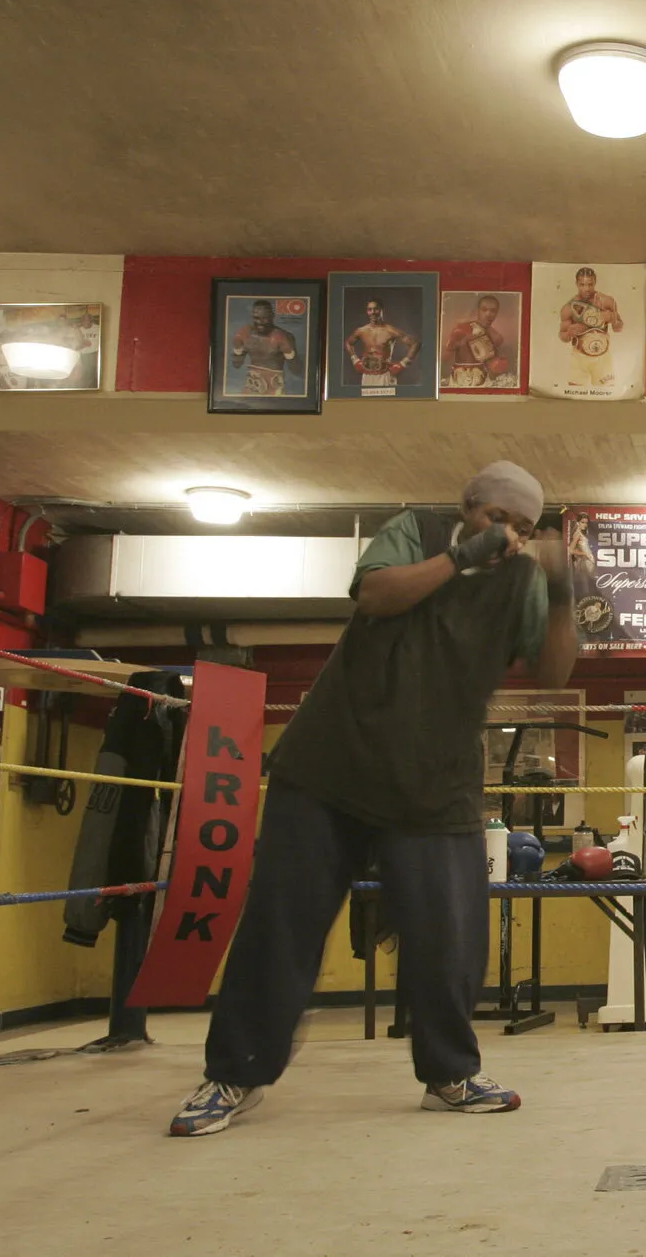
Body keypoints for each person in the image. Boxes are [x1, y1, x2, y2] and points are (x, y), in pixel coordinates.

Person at [169, 461, 581, 1137]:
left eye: (524, 527)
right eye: (497, 519)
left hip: (435, 778)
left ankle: (449, 1072)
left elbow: (553, 673)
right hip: (333, 762)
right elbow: (375, 594)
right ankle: (234, 1073)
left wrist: (564, 594)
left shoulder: (521, 582)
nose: (508, 535)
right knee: (282, 923)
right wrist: (459, 555)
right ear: (468, 506)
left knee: (450, 935)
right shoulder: (414, 531)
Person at [556, 266, 624, 389]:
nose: (586, 289)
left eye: (590, 284)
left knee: (606, 396)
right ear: (576, 283)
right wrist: (570, 332)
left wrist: (611, 317)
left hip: (602, 359)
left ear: (595, 283)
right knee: (574, 397)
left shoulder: (607, 301)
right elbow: (562, 336)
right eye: (582, 284)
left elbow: (618, 328)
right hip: (578, 358)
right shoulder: (568, 308)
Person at [346, 298, 419, 392]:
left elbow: (415, 344)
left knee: (388, 405)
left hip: (385, 375)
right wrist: (355, 360)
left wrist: (402, 364)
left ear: (381, 310)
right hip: (367, 376)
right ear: (367, 311)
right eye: (370, 309)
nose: (373, 312)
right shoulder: (361, 331)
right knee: (367, 405)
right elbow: (349, 343)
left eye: (376, 309)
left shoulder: (390, 330)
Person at [228, 299, 299, 396]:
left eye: (265, 318)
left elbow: (297, 370)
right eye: (256, 318)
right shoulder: (247, 333)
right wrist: (237, 348)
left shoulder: (285, 336)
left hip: (274, 392)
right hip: (251, 388)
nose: (260, 322)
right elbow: (236, 365)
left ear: (272, 317)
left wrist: (290, 354)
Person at [443, 295, 510, 389]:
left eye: (493, 311)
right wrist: (461, 343)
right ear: (477, 311)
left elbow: (495, 367)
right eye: (484, 309)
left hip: (482, 381)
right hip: (460, 380)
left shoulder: (496, 337)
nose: (488, 314)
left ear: (496, 313)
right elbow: (444, 359)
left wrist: (498, 365)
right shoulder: (461, 329)